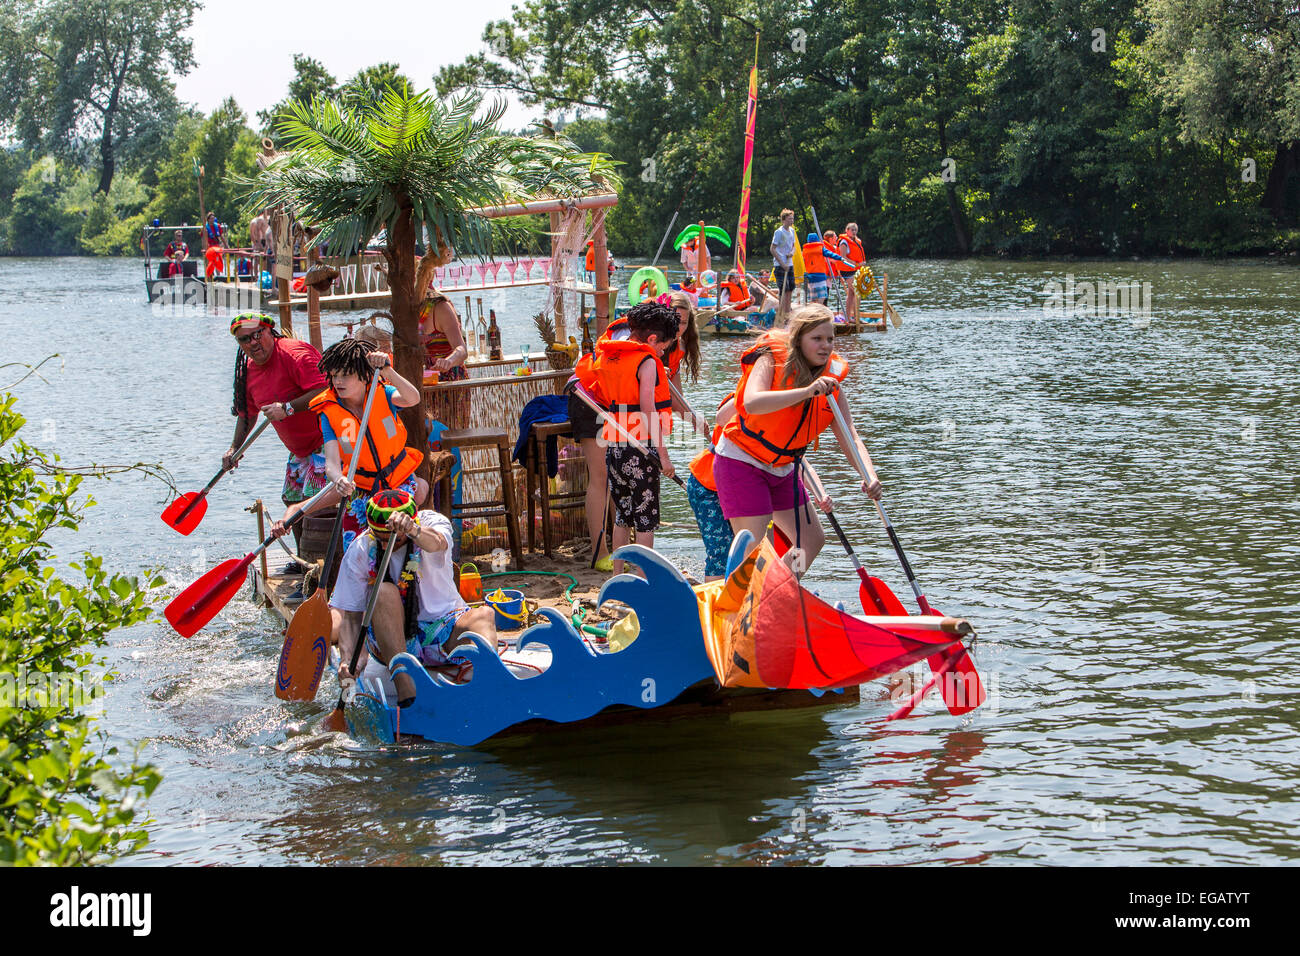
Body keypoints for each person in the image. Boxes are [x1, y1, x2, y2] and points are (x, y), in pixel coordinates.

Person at [713, 304, 882, 572]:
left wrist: (868, 475)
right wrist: (806, 391)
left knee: (811, 542)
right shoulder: (770, 358)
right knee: (759, 554)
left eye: (830, 339)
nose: (825, 346)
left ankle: (780, 593)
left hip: (783, 469)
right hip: (741, 462)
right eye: (817, 339)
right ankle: (752, 603)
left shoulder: (831, 382)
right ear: (798, 339)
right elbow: (753, 402)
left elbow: (850, 435)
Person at [330, 489, 498, 709]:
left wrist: (411, 529)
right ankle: (407, 694)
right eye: (377, 538)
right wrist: (348, 660)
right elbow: (351, 618)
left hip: (443, 627)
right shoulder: (360, 549)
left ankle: (491, 687)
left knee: (484, 615)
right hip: (391, 640)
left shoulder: (432, 523)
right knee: (383, 591)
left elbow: (437, 542)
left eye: (390, 539)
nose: (383, 546)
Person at [302, 339, 430, 548]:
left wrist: (388, 372)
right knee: (357, 547)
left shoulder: (384, 394)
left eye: (345, 375)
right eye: (334, 375)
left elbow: (413, 398)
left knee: (405, 547)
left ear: (365, 377)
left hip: (397, 482)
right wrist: (338, 479)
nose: (338, 381)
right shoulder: (328, 412)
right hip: (361, 488)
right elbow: (332, 465)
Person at [585, 301, 679, 575]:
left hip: (615, 444)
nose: (662, 352)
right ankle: (643, 573)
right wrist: (663, 456)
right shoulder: (646, 361)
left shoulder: (610, 354)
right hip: (641, 447)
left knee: (624, 514)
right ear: (652, 339)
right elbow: (649, 410)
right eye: (663, 347)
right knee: (646, 517)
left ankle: (617, 574)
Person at [225, 313, 329, 560]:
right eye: (244, 340)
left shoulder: (295, 354)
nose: (252, 343)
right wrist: (233, 449)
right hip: (299, 449)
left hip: (328, 440)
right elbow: (247, 414)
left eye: (256, 334)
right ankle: (304, 561)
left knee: (311, 505)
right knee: (291, 500)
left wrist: (288, 408)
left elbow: (326, 389)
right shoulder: (248, 371)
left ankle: (320, 566)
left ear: (270, 331)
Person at [801, 231, 846, 307]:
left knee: (813, 299)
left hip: (810, 278)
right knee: (822, 298)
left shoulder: (804, 251)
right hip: (820, 277)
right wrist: (840, 258)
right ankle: (820, 312)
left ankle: (814, 312)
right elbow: (830, 254)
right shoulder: (820, 249)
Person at [769, 210, 797, 321]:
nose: (792, 221)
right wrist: (782, 263)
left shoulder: (792, 231)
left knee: (790, 288)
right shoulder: (779, 232)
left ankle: (787, 312)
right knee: (783, 289)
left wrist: (792, 252)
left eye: (793, 218)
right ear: (784, 219)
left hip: (789, 263)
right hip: (780, 264)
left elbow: (793, 246)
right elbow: (772, 249)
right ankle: (781, 313)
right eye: (790, 218)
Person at [837, 223, 866, 318]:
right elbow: (843, 258)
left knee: (851, 294)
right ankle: (856, 318)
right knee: (858, 292)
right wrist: (857, 264)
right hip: (847, 271)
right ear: (847, 230)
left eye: (855, 230)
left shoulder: (856, 241)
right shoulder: (844, 242)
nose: (854, 232)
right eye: (852, 230)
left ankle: (848, 317)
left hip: (854, 270)